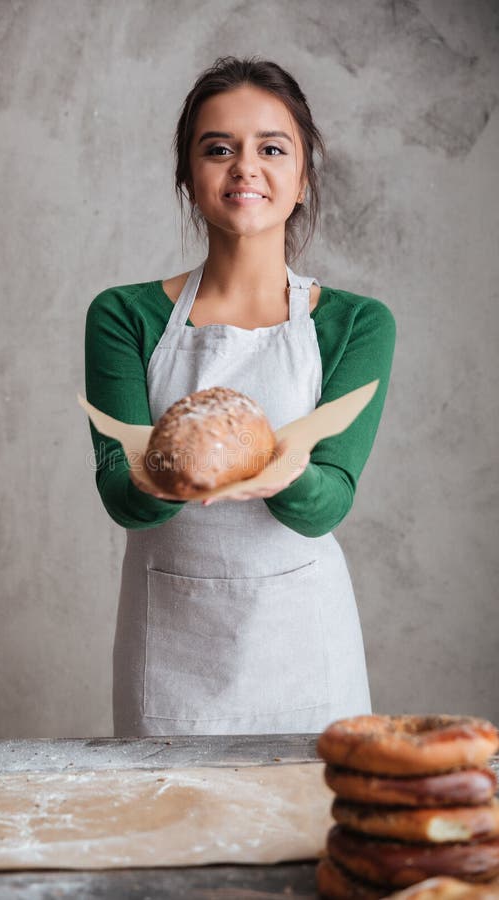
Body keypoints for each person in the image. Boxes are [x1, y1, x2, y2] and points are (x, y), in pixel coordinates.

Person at [84, 56, 396, 738]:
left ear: (303, 176)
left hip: (306, 649)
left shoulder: (356, 324)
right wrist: (171, 474)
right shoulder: (122, 315)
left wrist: (268, 469)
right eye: (218, 149)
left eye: (272, 149)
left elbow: (329, 501)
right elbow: (119, 493)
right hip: (172, 650)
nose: (244, 168)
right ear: (188, 178)